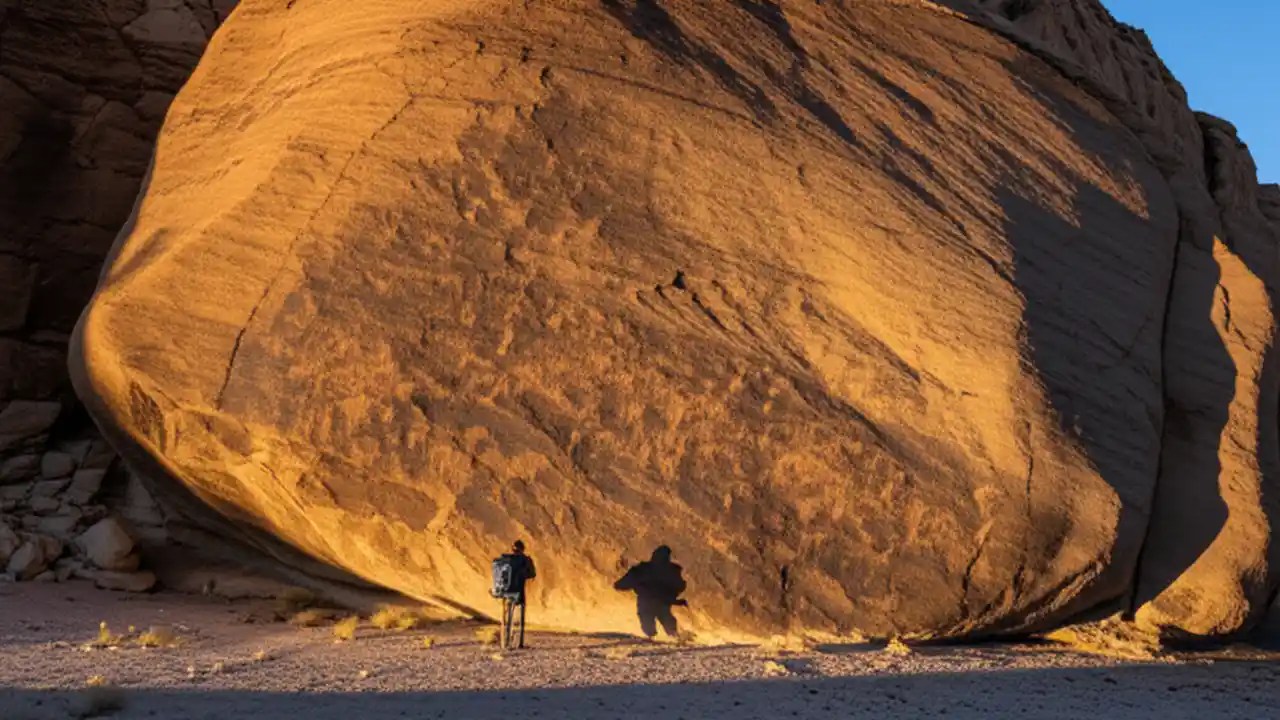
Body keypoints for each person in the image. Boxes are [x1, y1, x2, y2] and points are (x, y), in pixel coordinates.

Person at [613, 545, 687, 639]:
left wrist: (672, 597)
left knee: (657, 624)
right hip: (656, 602)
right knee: (659, 625)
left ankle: (673, 637)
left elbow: (680, 585)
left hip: (653, 602)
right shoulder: (646, 569)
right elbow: (680, 586)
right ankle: (670, 637)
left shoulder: (645, 569)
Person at [495, 540, 536, 648]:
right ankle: (519, 643)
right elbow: (532, 573)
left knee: (505, 618)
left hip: (506, 591)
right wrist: (522, 574)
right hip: (519, 591)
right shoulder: (525, 560)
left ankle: (505, 642)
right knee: (519, 618)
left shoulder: (506, 559)